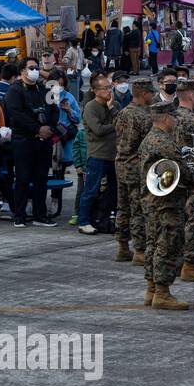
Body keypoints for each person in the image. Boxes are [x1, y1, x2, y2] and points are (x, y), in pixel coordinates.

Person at [139, 99, 194, 310]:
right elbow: (185, 172)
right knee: (167, 245)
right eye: (173, 117)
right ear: (164, 118)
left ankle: (152, 289)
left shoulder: (150, 139)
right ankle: (162, 292)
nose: (176, 121)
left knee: (154, 243)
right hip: (166, 204)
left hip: (153, 202)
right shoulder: (163, 142)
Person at [5, 57, 60, 228]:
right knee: (22, 178)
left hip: (44, 140)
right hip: (24, 140)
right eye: (31, 67)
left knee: (41, 179)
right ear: (22, 71)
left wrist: (49, 128)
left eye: (37, 67)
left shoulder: (43, 89)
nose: (35, 70)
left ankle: (40, 215)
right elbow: (16, 114)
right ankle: (19, 215)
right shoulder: (14, 91)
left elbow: (54, 109)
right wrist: (37, 129)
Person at [114, 77, 155, 262]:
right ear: (144, 94)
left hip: (121, 163)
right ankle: (139, 250)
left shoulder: (123, 113)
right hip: (136, 166)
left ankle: (122, 246)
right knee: (138, 209)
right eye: (151, 93)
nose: (153, 96)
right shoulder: (142, 116)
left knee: (123, 208)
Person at [172, 79, 194, 283]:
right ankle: (190, 264)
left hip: (175, 178)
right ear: (192, 95)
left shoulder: (170, 117)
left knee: (179, 221)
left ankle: (179, 261)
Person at [77, 74, 117, 235]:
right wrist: (114, 125)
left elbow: (121, 122)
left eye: (109, 87)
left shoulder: (113, 105)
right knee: (91, 190)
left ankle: (105, 219)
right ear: (95, 91)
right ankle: (83, 221)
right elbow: (98, 130)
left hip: (113, 155)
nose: (109, 91)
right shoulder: (90, 107)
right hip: (97, 155)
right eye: (105, 88)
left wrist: (112, 108)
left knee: (112, 191)